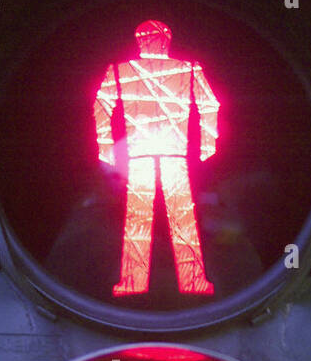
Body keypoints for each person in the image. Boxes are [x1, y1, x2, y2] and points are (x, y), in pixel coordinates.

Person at [93, 20, 219, 296]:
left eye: (154, 38)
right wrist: (208, 144)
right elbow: (101, 104)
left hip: (155, 154)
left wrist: (106, 148)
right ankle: (155, 282)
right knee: (159, 220)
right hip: (156, 154)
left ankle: (148, 283)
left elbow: (101, 105)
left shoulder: (124, 70)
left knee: (164, 219)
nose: (151, 42)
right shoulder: (184, 69)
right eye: (149, 38)